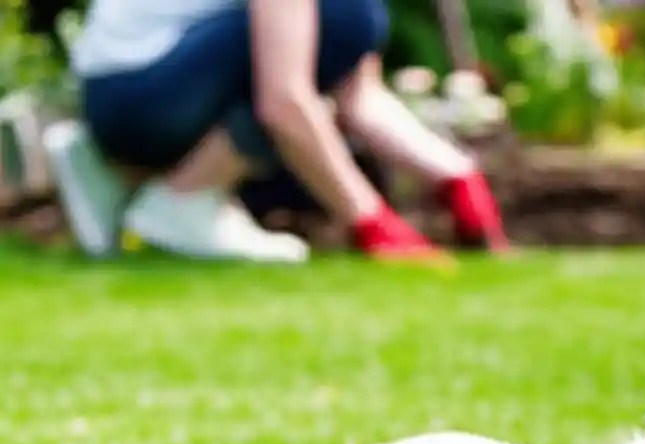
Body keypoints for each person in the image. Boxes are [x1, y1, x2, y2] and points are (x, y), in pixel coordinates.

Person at [45, 0, 510, 263]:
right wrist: (373, 224)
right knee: (343, 23)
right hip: (134, 97)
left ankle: (119, 177)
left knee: (353, 20)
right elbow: (284, 102)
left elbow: (360, 98)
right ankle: (182, 198)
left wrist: (456, 176)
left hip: (127, 92)